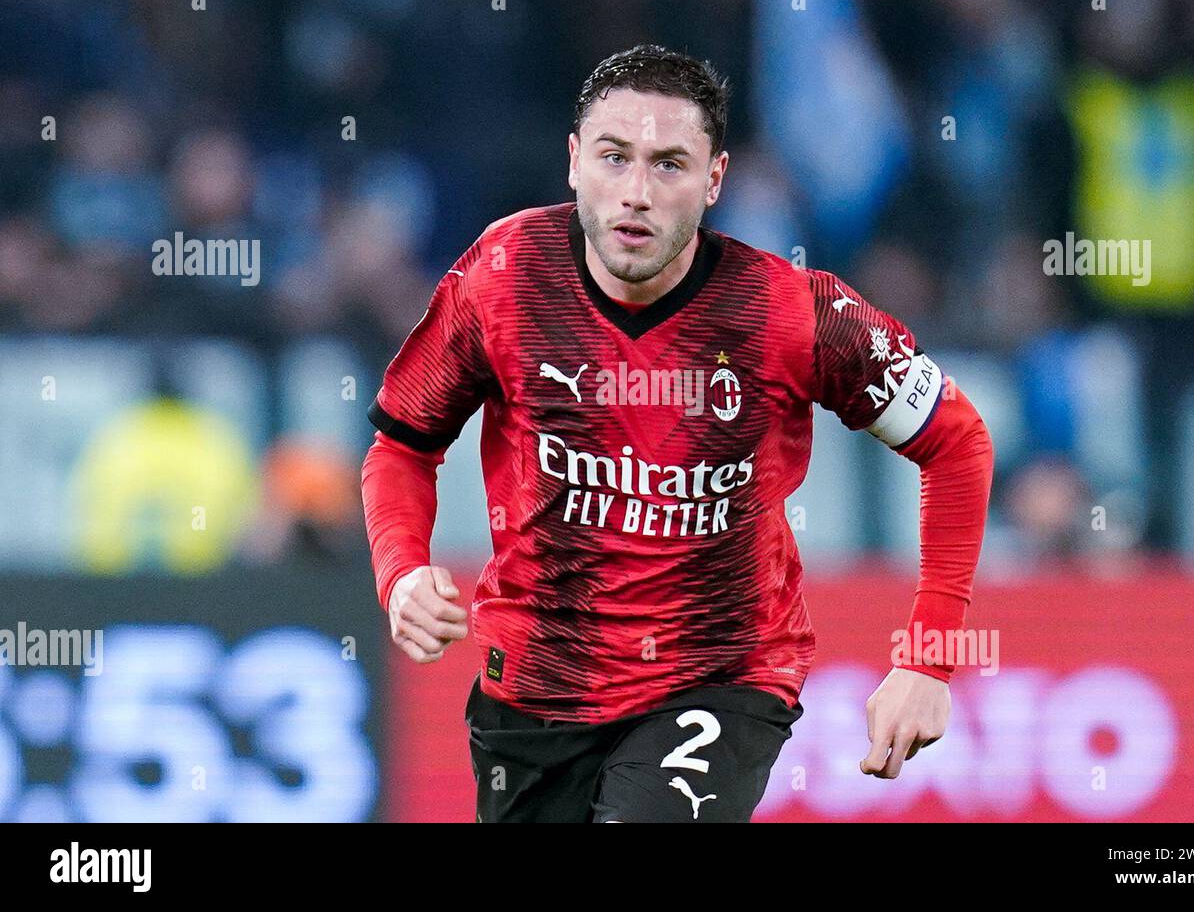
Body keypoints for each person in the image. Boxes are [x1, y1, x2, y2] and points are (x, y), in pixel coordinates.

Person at [361, 44, 994, 822]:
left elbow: (956, 440)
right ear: (572, 162)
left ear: (715, 179)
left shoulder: (793, 313)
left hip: (717, 677)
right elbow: (402, 443)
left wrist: (930, 660)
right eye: (614, 157)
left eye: (669, 165)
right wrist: (400, 570)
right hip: (532, 685)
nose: (635, 193)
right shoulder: (503, 275)